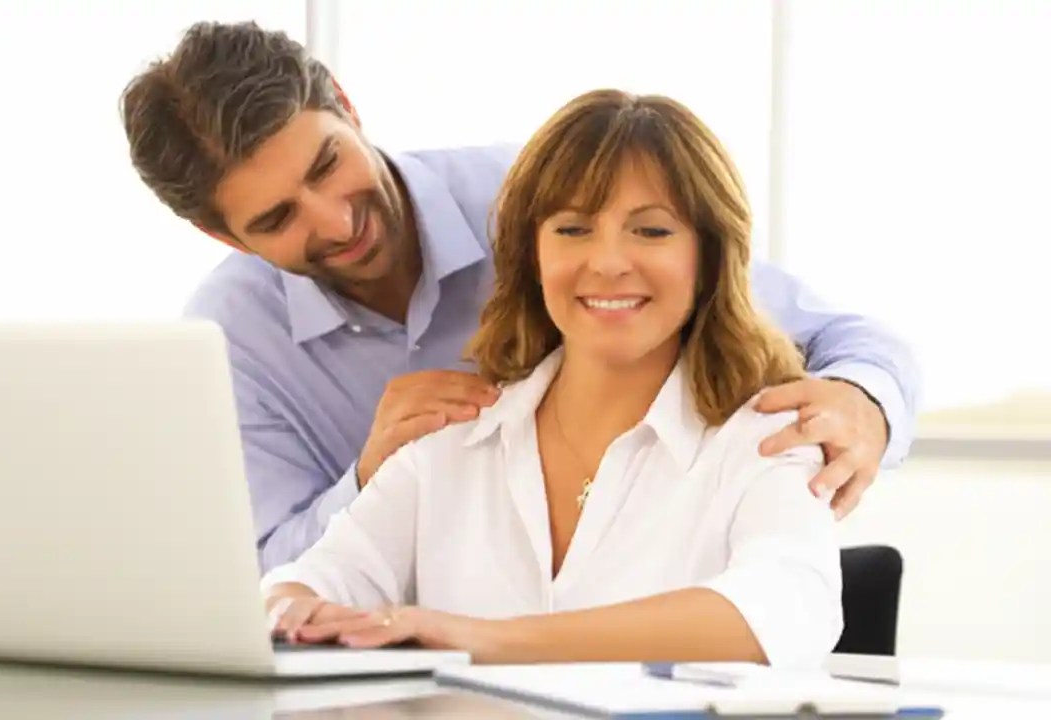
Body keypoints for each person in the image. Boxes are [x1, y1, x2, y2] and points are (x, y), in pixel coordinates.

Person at [120, 21, 918, 572]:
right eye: (277, 218)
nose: (337, 221)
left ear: (346, 106)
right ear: (224, 236)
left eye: (328, 165)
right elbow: (265, 576)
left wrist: (863, 402)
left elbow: (845, 337)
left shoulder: (548, 206)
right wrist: (368, 478)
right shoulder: (230, 336)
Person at [261, 88, 842, 667]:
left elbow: (785, 610)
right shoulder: (451, 440)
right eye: (572, 229)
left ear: (710, 256)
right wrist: (293, 608)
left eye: (652, 231)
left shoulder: (767, 439)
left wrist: (481, 640)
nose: (609, 262)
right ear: (531, 255)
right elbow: (308, 581)